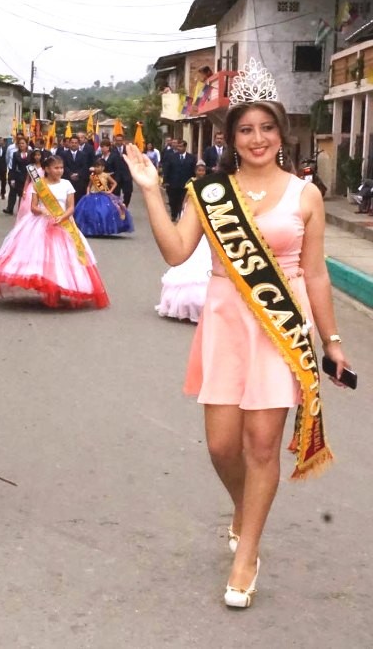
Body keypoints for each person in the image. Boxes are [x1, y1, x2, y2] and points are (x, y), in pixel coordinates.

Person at [124, 60, 350, 609]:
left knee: (262, 445)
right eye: (245, 129)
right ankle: (246, 509)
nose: (256, 138)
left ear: (281, 132)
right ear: (231, 137)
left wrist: (333, 341)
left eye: (266, 127)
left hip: (280, 326)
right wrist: (152, 191)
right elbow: (178, 252)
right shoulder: (210, 193)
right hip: (225, 322)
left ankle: (246, 552)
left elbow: (316, 273)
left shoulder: (306, 195)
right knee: (223, 445)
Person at [0, 155, 109, 308]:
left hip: (63, 223)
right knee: (39, 256)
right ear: (46, 169)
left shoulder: (67, 184)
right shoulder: (39, 185)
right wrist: (44, 213)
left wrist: (62, 217)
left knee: (64, 258)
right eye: (56, 168)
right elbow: (33, 207)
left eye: (61, 168)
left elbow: (71, 207)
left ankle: (60, 287)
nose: (59, 171)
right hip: (40, 223)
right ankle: (47, 286)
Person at [155, 163, 212, 323]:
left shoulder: (210, 186)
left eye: (202, 170)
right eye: (198, 169)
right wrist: (182, 214)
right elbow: (187, 200)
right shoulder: (193, 185)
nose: (200, 172)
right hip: (191, 219)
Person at [73, 159, 133, 237]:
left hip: (103, 195)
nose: (98, 168)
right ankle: (93, 230)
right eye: (96, 167)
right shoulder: (92, 176)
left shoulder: (106, 175)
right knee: (91, 213)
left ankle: (104, 229)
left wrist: (110, 191)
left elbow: (114, 183)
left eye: (100, 167)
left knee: (103, 212)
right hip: (92, 195)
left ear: (103, 167)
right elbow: (89, 186)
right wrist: (87, 192)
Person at [160, 139, 196, 221]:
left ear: (185, 147)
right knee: (173, 201)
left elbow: (193, 171)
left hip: (185, 184)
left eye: (180, 146)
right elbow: (167, 170)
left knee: (182, 200)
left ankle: (181, 215)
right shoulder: (172, 157)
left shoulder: (191, 158)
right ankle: (174, 214)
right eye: (178, 146)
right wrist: (165, 181)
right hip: (173, 184)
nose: (179, 148)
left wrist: (193, 181)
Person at [5, 136, 33, 215]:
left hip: (30, 176)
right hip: (19, 176)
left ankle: (27, 210)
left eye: (23, 143)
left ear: (26, 144)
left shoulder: (31, 153)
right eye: (20, 143)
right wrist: (12, 179)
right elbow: (13, 167)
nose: (21, 145)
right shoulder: (15, 154)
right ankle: (20, 210)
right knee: (21, 193)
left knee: (28, 193)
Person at [61, 135, 91, 201]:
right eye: (72, 142)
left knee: (79, 201)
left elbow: (85, 166)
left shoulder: (84, 154)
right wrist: (70, 174)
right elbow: (63, 166)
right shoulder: (63, 154)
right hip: (67, 180)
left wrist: (78, 174)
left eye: (76, 143)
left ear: (78, 144)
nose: (74, 144)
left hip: (80, 182)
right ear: (69, 143)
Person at [111, 134, 134, 207]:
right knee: (115, 194)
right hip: (116, 176)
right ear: (115, 141)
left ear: (123, 141)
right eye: (117, 140)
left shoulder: (128, 150)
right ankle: (117, 208)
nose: (119, 142)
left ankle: (124, 206)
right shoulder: (111, 149)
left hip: (126, 175)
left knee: (128, 193)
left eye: (120, 140)